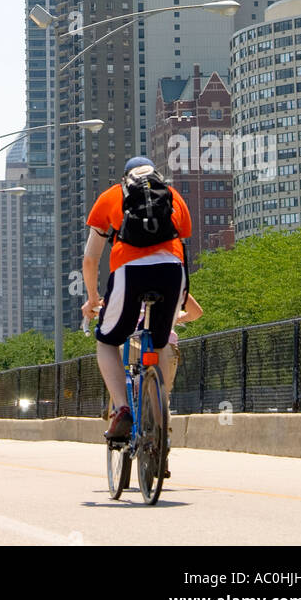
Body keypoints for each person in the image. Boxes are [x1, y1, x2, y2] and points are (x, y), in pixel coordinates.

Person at [82, 155, 192, 441]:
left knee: (106, 341)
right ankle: (160, 415)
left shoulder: (112, 196)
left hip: (129, 271)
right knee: (160, 340)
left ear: (126, 176)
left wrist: (93, 298)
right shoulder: (173, 196)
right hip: (171, 270)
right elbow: (182, 240)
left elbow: (90, 260)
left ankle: (121, 409)